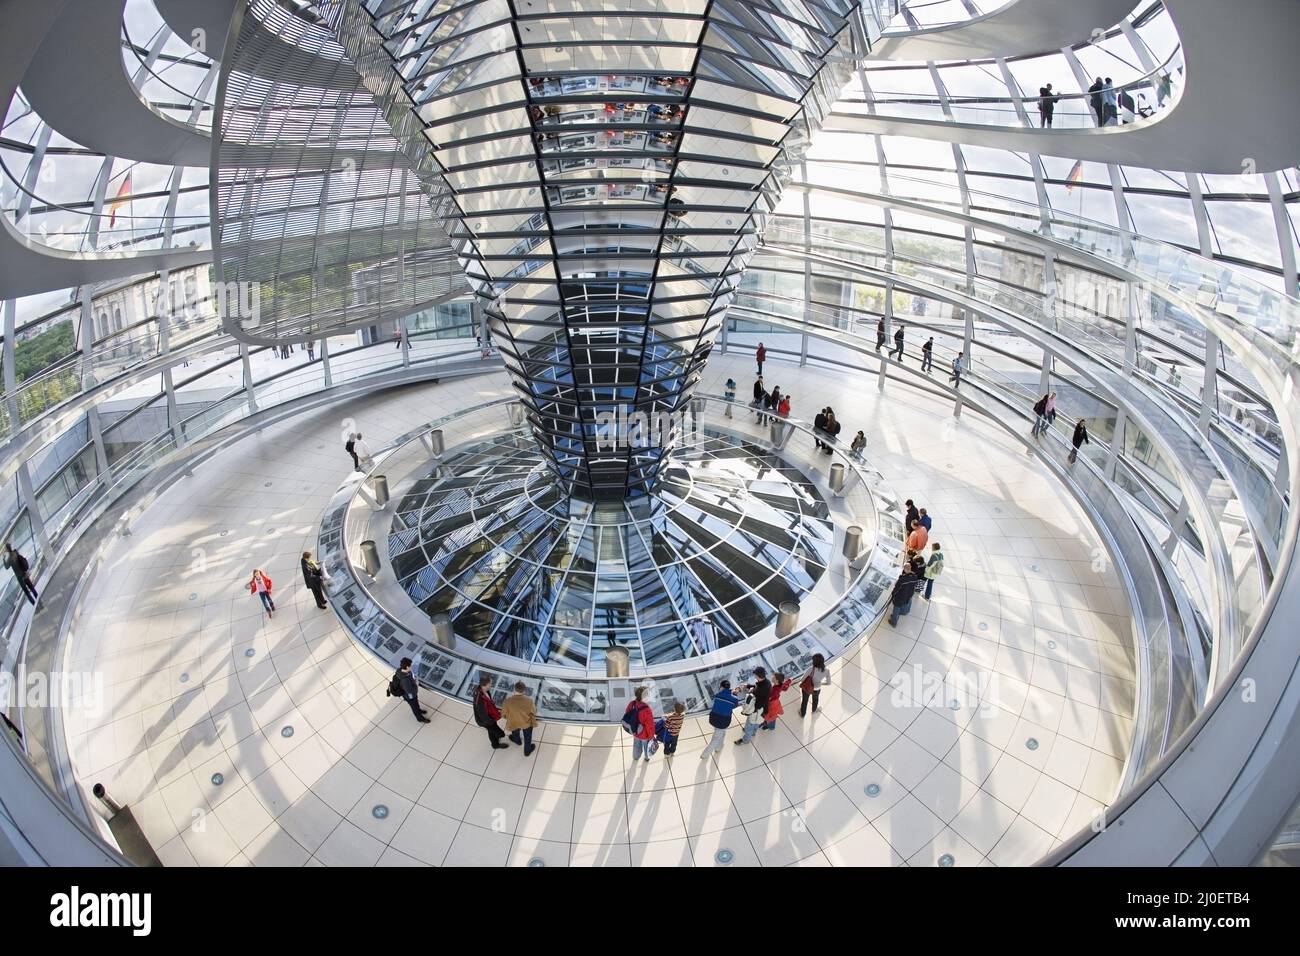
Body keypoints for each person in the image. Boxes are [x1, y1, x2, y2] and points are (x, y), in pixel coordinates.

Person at [700, 680, 741, 760]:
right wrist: (734, 695)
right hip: (723, 721)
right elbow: (734, 706)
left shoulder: (718, 695)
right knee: (716, 738)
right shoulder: (734, 699)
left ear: (721, 687)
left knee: (721, 733)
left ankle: (719, 747)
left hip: (713, 718)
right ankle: (705, 754)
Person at [735, 667, 771, 745]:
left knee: (749, 725)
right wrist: (748, 686)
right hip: (764, 710)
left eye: (755, 675)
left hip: (756, 710)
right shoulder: (767, 682)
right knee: (757, 723)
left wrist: (751, 692)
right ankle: (753, 733)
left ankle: (746, 740)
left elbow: (756, 700)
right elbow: (757, 687)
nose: (754, 676)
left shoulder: (760, 689)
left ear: (758, 676)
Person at [472, 675, 509, 749]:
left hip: (490, 717)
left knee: (491, 731)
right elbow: (483, 714)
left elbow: (487, 702)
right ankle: (496, 742)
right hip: (487, 721)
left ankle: (495, 745)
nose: (491, 685)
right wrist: (491, 722)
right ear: (485, 685)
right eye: (490, 683)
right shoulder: (480, 700)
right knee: (501, 734)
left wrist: (491, 702)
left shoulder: (484, 690)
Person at [502, 681, 538, 756]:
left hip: (514, 722)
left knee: (515, 732)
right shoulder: (529, 701)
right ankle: (527, 751)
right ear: (524, 691)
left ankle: (517, 741)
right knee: (528, 737)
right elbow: (534, 712)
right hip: (526, 723)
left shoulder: (507, 701)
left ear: (514, 690)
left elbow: (503, 714)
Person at [393, 658, 431, 723]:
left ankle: (419, 710)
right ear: (407, 667)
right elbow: (410, 691)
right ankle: (420, 718)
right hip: (409, 696)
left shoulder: (401, 670)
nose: (411, 666)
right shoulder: (405, 680)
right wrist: (416, 684)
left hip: (410, 694)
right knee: (414, 706)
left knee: (416, 703)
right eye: (410, 665)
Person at [624, 686, 656, 762]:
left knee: (636, 746)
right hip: (645, 735)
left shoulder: (632, 703)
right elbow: (649, 725)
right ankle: (647, 757)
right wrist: (651, 736)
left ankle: (636, 757)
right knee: (646, 746)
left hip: (635, 731)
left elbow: (627, 713)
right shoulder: (647, 710)